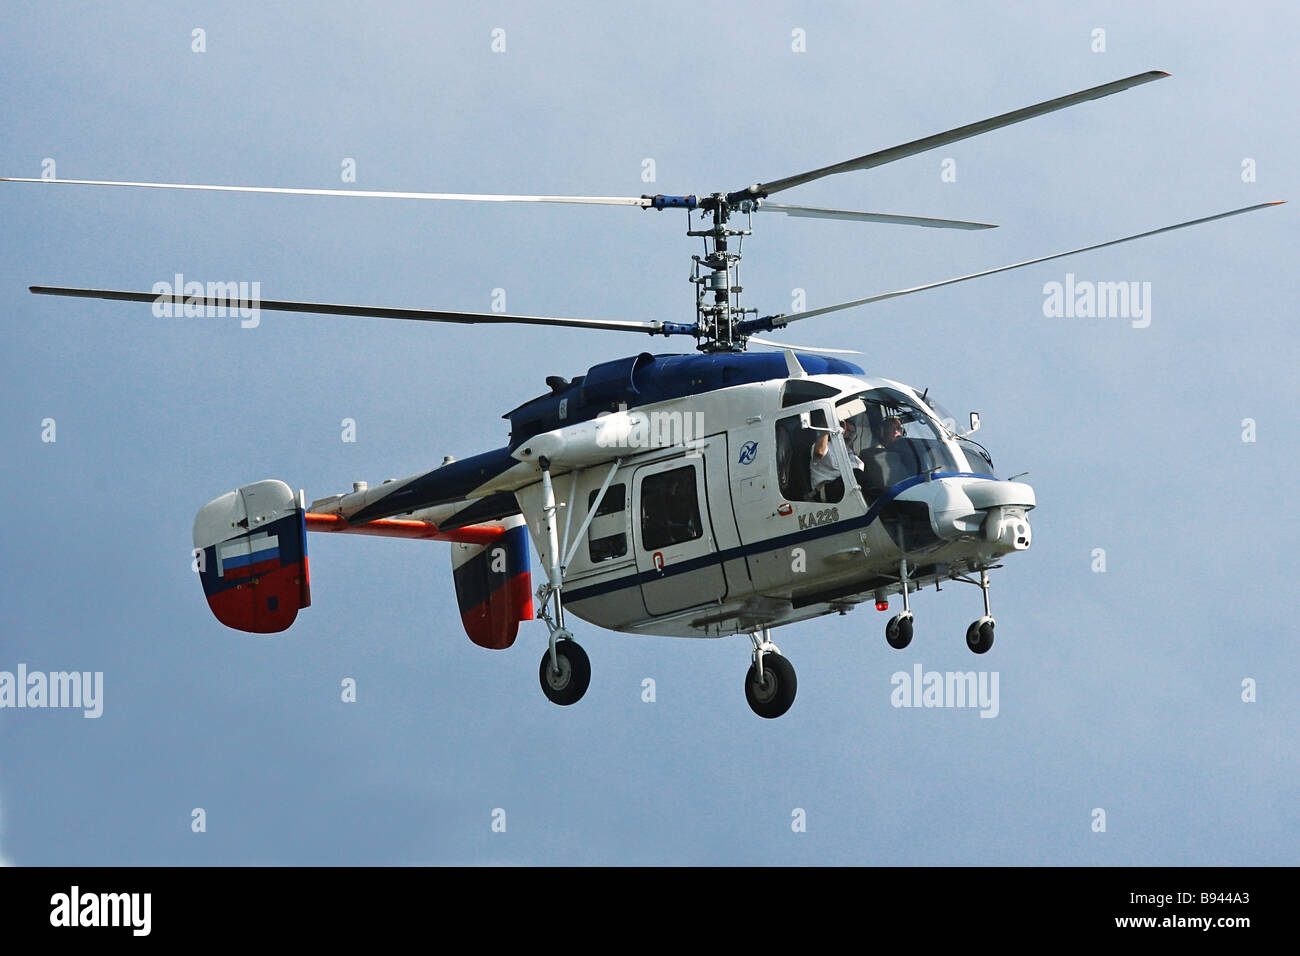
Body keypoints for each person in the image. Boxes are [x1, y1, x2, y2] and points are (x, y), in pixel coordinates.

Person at [809, 419, 865, 502]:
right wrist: (826, 425)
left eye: (852, 433)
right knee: (856, 473)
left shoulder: (855, 459)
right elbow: (819, 452)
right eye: (847, 431)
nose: (849, 435)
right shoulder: (824, 447)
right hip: (826, 492)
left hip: (850, 493)